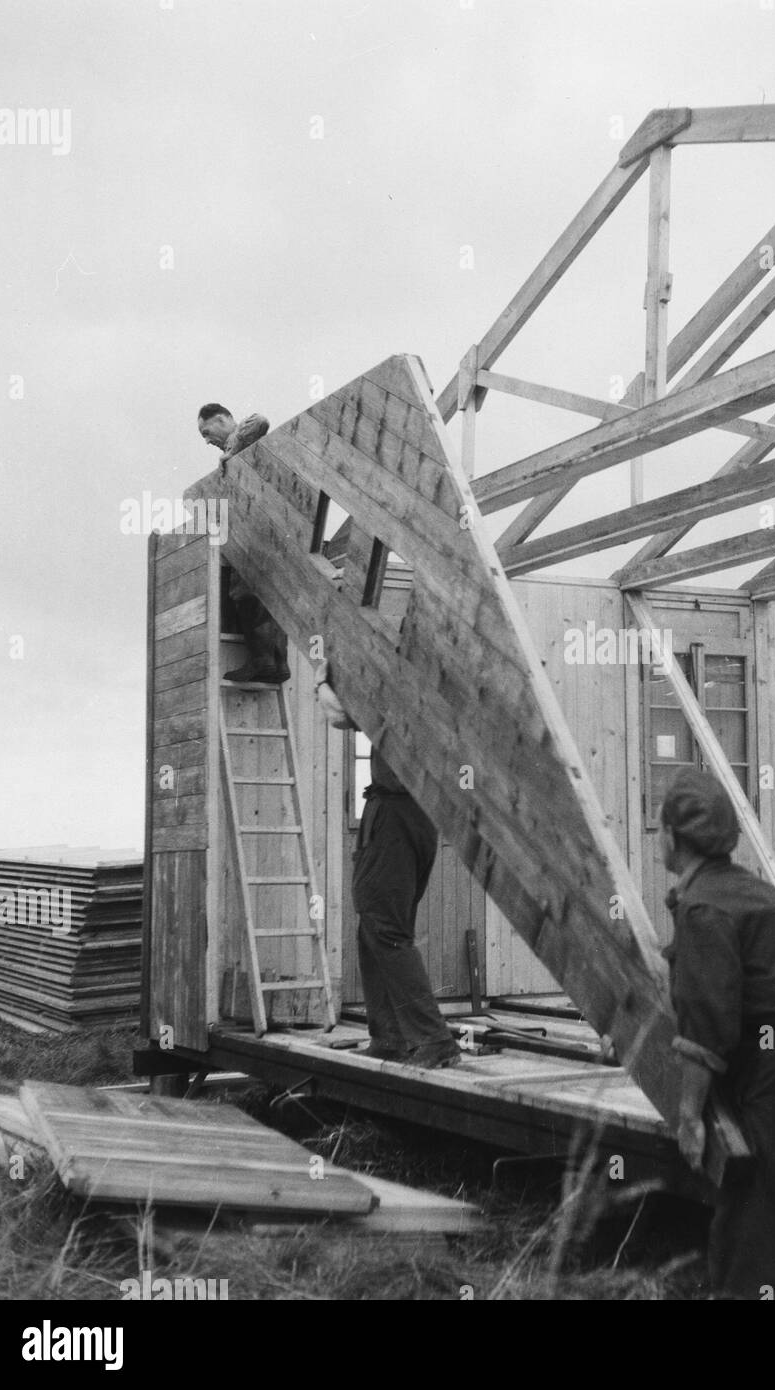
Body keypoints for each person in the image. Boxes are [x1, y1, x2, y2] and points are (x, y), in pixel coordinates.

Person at [660, 768, 775, 1299]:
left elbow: (708, 1024)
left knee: (748, 1235)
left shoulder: (704, 908)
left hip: (774, 1074)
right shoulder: (749, 890)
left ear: (672, 837)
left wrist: (689, 1116)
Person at [313, 663, 460, 1069]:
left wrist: (321, 680)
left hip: (394, 818)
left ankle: (433, 1039)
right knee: (376, 930)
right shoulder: (434, 698)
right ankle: (390, 1037)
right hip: (418, 818)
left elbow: (337, 714)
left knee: (384, 926)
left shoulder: (401, 693)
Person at [197, 403, 290, 685]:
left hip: (259, 530)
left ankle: (262, 661)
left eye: (206, 431)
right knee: (270, 597)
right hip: (269, 529)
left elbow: (260, 420)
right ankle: (278, 664)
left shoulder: (242, 439)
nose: (207, 441)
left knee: (244, 591)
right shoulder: (235, 457)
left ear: (223, 419)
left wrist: (230, 451)